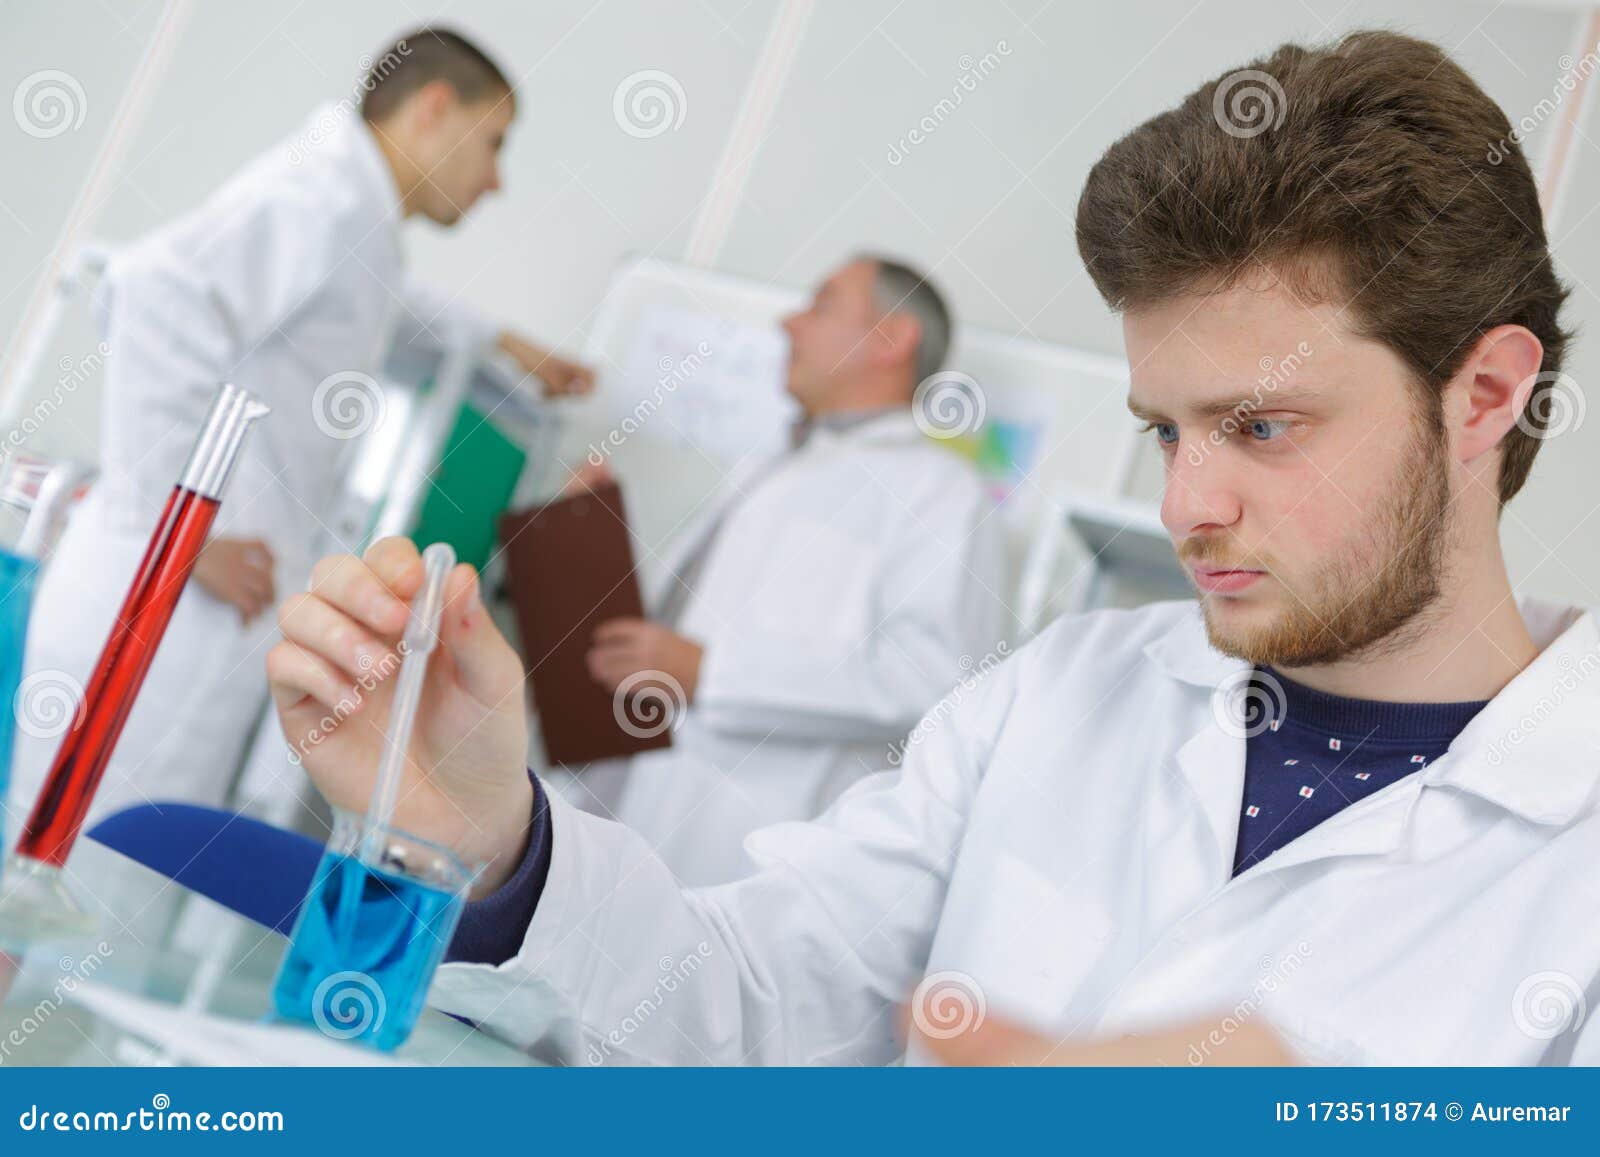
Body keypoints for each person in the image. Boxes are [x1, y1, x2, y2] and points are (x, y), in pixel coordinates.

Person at [267, 31, 1599, 1065]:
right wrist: (495, 839)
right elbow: (743, 997)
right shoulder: (1061, 695)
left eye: (1259, 425)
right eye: (1165, 431)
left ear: (1483, 396)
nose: (1186, 504)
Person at [7, 28, 593, 836]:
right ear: (432, 109)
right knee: (74, 865)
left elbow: (375, 304)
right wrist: (179, 530)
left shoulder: (355, 218)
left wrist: (500, 340)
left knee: (104, 864)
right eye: (493, 142)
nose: (495, 179)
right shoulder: (321, 197)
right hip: (162, 595)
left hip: (194, 608)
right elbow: (153, 292)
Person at [553, 255, 1013, 884]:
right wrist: (584, 550)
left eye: (819, 304)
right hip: (617, 812)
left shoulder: (940, 492)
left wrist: (712, 674)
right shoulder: (771, 464)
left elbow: (928, 677)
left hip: (742, 855)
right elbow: (681, 636)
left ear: (891, 338)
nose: (788, 323)